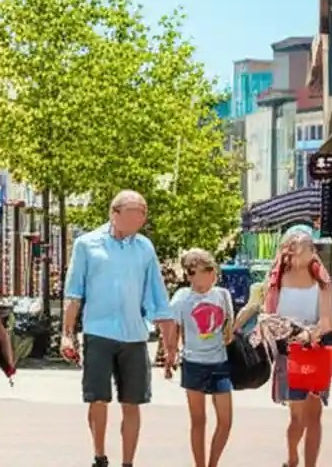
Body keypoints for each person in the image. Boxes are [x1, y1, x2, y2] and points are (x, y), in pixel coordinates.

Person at [62, 190, 174, 467]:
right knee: (97, 398)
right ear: (116, 213)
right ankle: (99, 456)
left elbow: (157, 297)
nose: (142, 217)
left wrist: (170, 344)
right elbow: (74, 293)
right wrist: (66, 334)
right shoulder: (87, 245)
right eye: (137, 212)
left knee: (132, 401)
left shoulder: (145, 248)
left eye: (144, 212)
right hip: (98, 332)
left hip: (134, 335)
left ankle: (128, 462)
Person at [262, 226, 332, 467]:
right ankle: (292, 457)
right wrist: (286, 333)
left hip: (316, 349)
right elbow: (268, 317)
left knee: (314, 415)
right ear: (289, 250)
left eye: (311, 247)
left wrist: (309, 333)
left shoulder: (322, 281)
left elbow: (327, 321)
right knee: (297, 416)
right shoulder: (276, 280)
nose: (310, 251)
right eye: (304, 246)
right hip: (288, 352)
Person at [167, 249, 234, 467]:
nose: (206, 277)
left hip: (220, 361)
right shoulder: (182, 298)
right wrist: (170, 355)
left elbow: (229, 327)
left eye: (210, 272)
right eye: (192, 273)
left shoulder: (222, 295)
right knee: (198, 420)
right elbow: (173, 328)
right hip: (193, 362)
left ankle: (212, 463)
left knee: (225, 420)